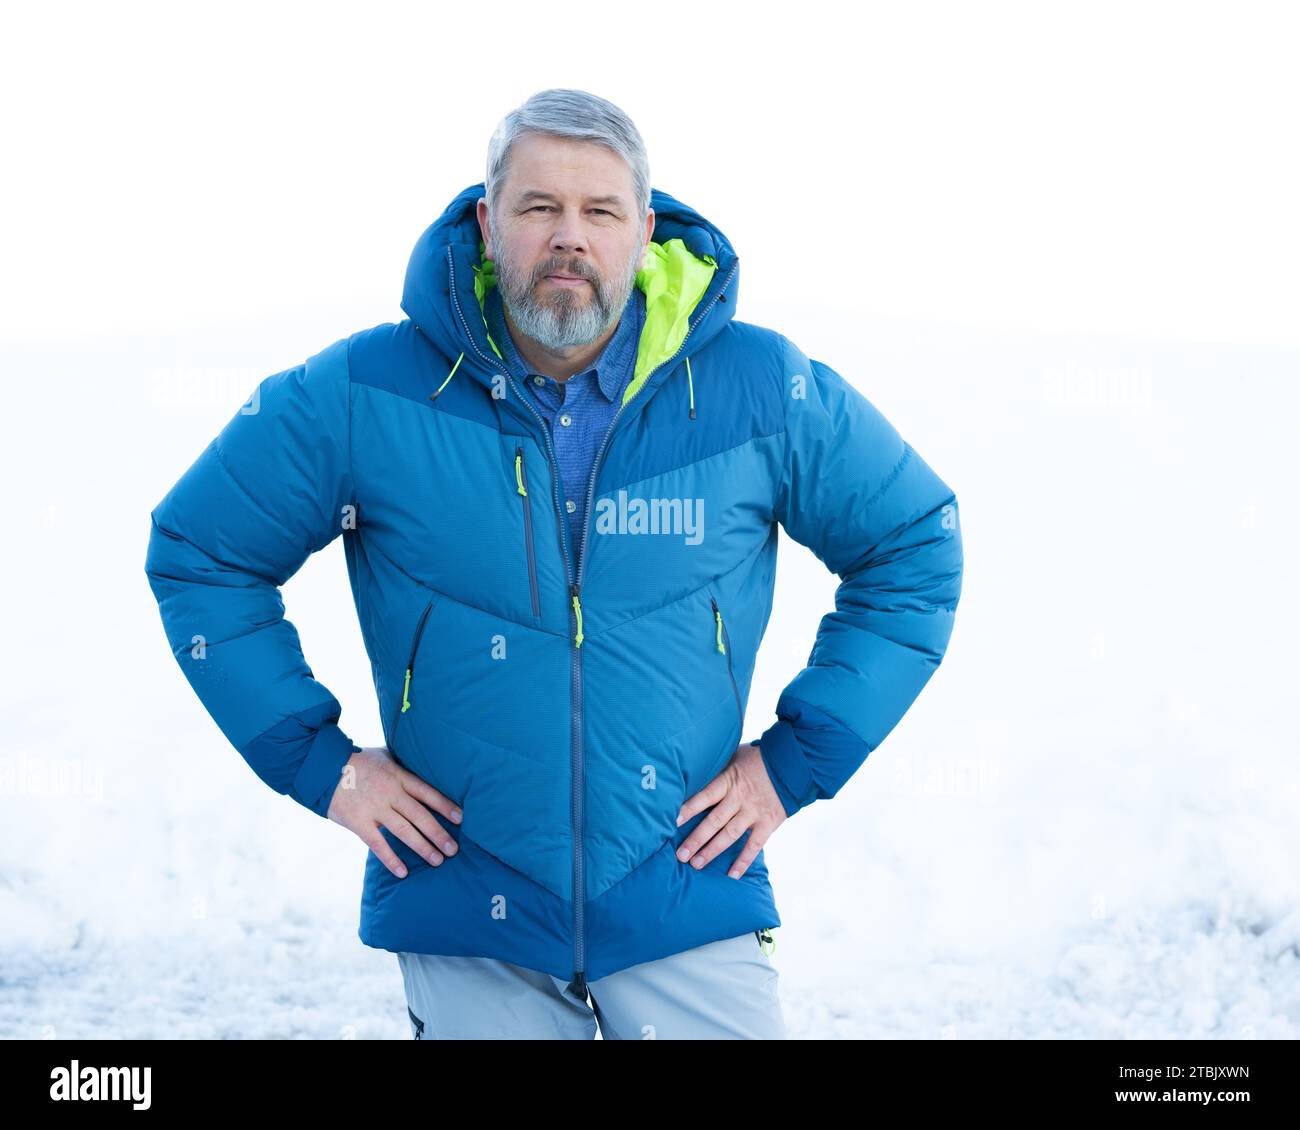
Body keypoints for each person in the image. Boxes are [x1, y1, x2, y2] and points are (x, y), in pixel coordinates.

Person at [144, 87, 964, 1040]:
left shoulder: (757, 391)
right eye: (539, 208)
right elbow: (201, 551)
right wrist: (320, 765)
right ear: (490, 223)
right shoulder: (366, 393)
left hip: (685, 888)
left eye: (599, 211)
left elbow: (914, 544)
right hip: (466, 897)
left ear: (644, 230)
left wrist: (795, 764)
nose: (568, 236)